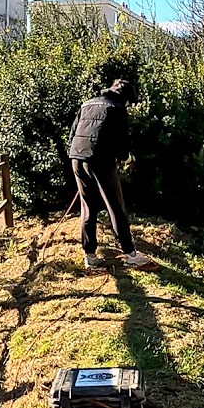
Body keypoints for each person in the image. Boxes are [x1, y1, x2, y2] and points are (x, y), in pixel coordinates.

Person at [67, 78, 154, 270]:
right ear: (126, 97)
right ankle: (130, 254)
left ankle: (90, 257)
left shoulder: (87, 104)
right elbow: (121, 143)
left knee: (88, 206)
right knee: (115, 206)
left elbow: (72, 134)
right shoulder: (117, 108)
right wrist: (127, 159)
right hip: (100, 160)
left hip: (77, 157)